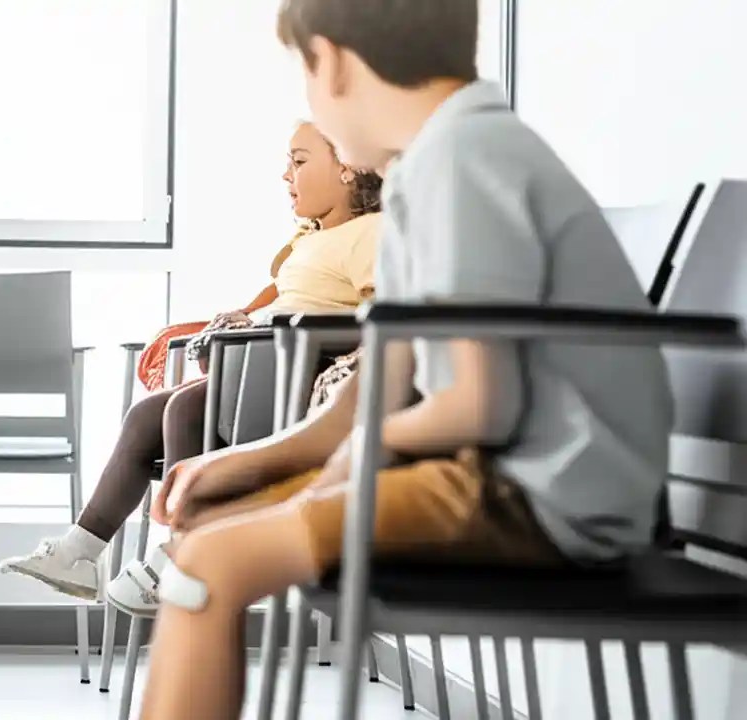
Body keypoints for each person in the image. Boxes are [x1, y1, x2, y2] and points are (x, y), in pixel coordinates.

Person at [137, 1, 674, 718]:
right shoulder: (436, 166)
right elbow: (369, 398)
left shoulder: (463, 165)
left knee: (210, 563)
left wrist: (335, 472)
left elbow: (480, 406)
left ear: (332, 61)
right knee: (210, 518)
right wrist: (249, 462)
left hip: (538, 500)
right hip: (501, 481)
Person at [0, 123, 382, 616]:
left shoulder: (371, 234)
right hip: (257, 367)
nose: (285, 174)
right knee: (145, 416)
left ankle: (184, 556)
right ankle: (80, 552)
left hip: (297, 379)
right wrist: (247, 319)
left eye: (300, 162)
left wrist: (285, 328)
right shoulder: (310, 239)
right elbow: (289, 297)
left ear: (348, 168)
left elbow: (384, 318)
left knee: (183, 409)